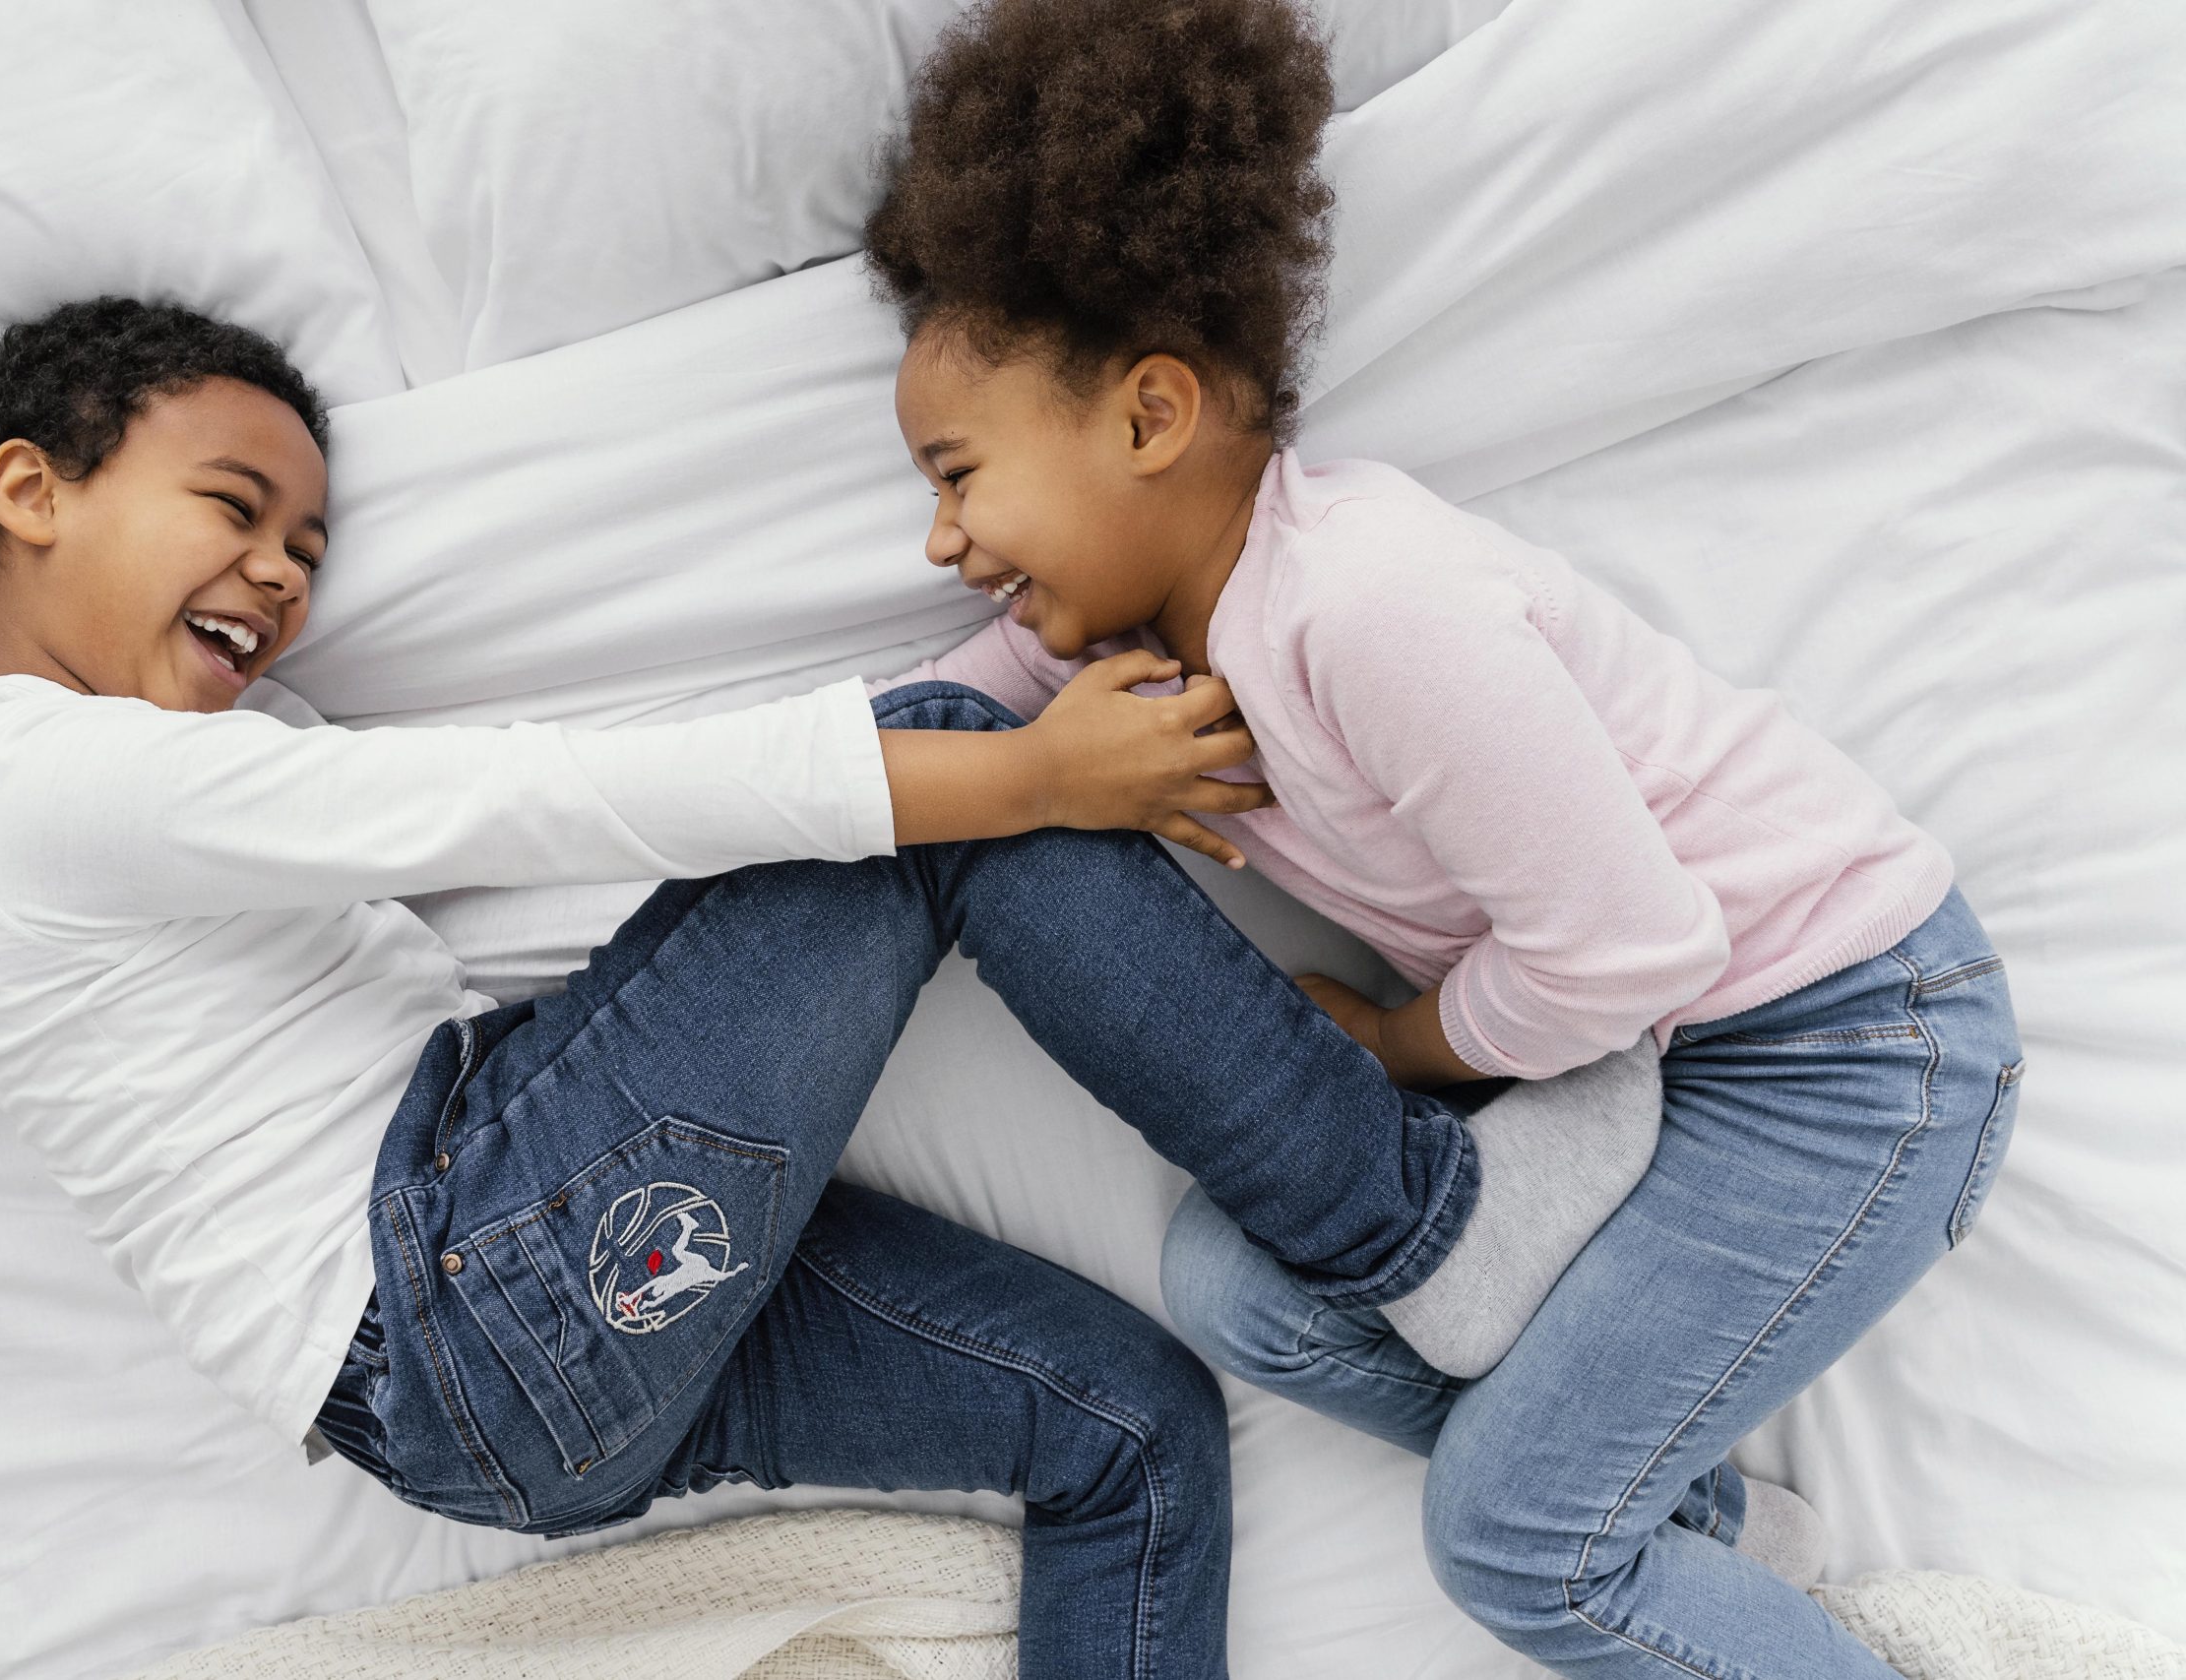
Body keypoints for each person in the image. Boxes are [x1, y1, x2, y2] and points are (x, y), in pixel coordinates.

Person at [0, 297, 1647, 1677]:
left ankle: (1625, 1489)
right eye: (235, 510)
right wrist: (1032, 780)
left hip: (502, 1397)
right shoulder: (41, 783)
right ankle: (1414, 1219)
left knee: (1135, 1434)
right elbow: (516, 800)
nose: (286, 574)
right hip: (458, 1289)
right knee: (953, 766)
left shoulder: (153, 768)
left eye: (307, 540)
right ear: (31, 491)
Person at [863, 0, 2026, 1673]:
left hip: (1844, 1047)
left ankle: (1603, 1531)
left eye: (960, 473)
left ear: (1149, 416)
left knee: (1511, 1547)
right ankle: (1687, 1535)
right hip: (1629, 1065)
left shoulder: (1365, 598)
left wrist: (1403, 1047)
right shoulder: (1103, 656)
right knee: (1234, 1281)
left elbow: (1632, 953)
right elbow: (919, 734)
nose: (939, 537)